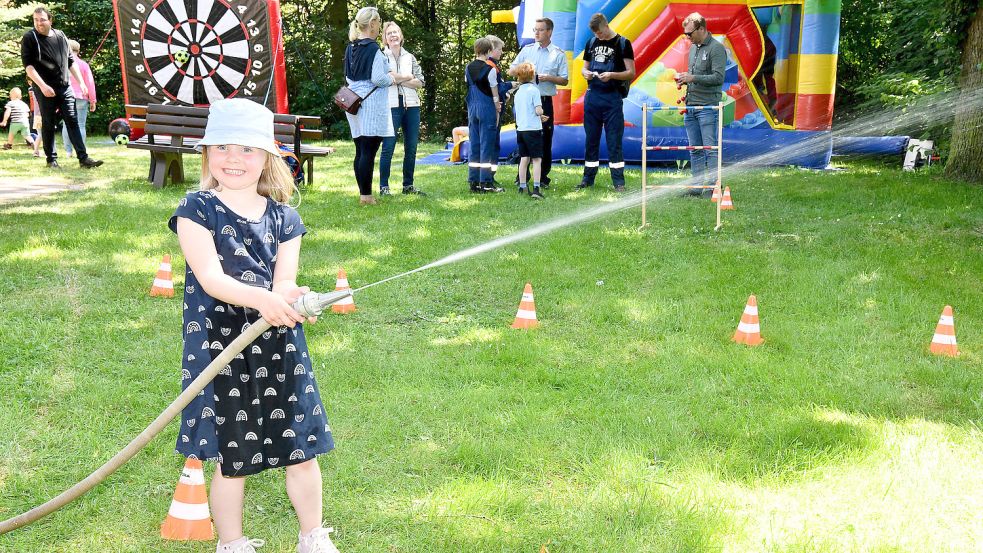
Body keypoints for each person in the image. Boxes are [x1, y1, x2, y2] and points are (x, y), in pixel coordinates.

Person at [170, 99, 338, 553]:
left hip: (278, 346)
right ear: (206, 155)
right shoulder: (196, 209)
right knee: (232, 458)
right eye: (222, 147)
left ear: (267, 156)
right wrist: (264, 298)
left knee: (301, 449)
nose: (233, 158)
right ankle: (233, 543)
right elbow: (212, 278)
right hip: (220, 347)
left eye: (247, 149)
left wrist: (293, 297)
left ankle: (312, 536)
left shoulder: (285, 218)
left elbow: (283, 281)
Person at [20, 6, 102, 169]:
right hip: (44, 89)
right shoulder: (30, 38)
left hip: (65, 88)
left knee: (73, 121)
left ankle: (83, 159)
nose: (38, 23)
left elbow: (71, 62)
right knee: (49, 123)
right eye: (35, 20)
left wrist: (82, 82)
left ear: (50, 20)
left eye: (42, 20)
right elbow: (28, 66)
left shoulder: (60, 36)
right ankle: (51, 160)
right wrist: (42, 86)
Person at [345, 7, 408, 205]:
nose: (380, 24)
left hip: (353, 102)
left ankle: (363, 194)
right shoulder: (372, 48)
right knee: (368, 151)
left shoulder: (351, 47)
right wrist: (391, 77)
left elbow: (347, 77)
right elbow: (378, 78)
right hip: (370, 105)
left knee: (360, 150)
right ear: (372, 24)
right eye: (379, 21)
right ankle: (367, 197)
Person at [508, 17, 569, 189]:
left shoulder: (558, 54)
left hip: (543, 100)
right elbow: (511, 69)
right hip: (524, 101)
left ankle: (542, 177)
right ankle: (522, 177)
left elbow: (564, 80)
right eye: (535, 29)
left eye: (540, 29)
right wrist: (524, 72)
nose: (536, 32)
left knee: (545, 139)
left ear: (549, 32)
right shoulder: (527, 50)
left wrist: (548, 78)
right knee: (524, 136)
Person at [578, 13, 634, 192]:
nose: (598, 36)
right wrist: (585, 73)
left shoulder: (623, 43)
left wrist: (611, 75)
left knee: (614, 140)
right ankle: (588, 179)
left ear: (606, 25)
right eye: (595, 34)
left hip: (612, 98)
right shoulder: (591, 43)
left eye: (600, 33)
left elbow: (630, 72)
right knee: (591, 140)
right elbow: (584, 67)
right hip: (593, 96)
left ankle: (619, 182)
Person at [675, 12, 726, 196]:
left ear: (702, 29)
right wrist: (684, 80)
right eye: (686, 34)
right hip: (691, 106)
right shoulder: (693, 48)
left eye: (690, 33)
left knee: (710, 149)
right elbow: (694, 76)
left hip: (707, 107)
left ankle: (713, 187)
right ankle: (696, 188)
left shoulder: (716, 48)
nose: (687, 37)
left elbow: (718, 78)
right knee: (695, 150)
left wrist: (693, 77)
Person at [379, 21, 426, 196]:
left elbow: (420, 82)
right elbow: (385, 79)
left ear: (401, 35)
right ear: (385, 38)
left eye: (396, 32)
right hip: (391, 106)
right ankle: (384, 187)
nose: (393, 35)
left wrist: (398, 78)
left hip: (412, 106)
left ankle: (408, 185)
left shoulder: (410, 57)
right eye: (389, 33)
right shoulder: (381, 57)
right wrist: (407, 77)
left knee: (411, 147)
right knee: (388, 147)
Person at [465, 37, 504, 193]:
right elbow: (494, 90)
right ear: (488, 51)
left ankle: (473, 181)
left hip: (472, 109)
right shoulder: (490, 69)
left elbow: (469, 84)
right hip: (486, 108)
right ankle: (486, 182)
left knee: (474, 145)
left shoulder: (468, 67)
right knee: (487, 145)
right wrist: (497, 105)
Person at [512, 62, 547, 199]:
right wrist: (541, 113)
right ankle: (536, 188)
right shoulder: (534, 90)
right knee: (537, 159)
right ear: (533, 75)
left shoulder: (518, 92)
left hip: (521, 129)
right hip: (533, 129)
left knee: (524, 158)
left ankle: (522, 186)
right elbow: (538, 110)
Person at [485, 35, 516, 187]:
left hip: (497, 107)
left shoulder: (493, 65)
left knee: (494, 143)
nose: (502, 52)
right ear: (491, 50)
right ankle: (488, 176)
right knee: (492, 144)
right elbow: (495, 87)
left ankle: (490, 175)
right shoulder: (490, 66)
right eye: (500, 49)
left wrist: (506, 93)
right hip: (493, 110)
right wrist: (511, 85)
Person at [61, 39, 96, 158]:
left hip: (66, 97)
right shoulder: (83, 64)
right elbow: (90, 84)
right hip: (81, 97)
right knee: (80, 124)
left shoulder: (62, 64)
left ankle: (68, 151)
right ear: (78, 50)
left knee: (67, 124)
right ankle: (81, 150)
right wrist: (93, 100)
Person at [2, 87, 36, 152]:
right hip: (25, 122)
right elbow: (28, 114)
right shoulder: (24, 104)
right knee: (27, 135)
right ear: (20, 96)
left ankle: (9, 144)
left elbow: (7, 112)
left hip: (15, 122)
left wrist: (4, 121)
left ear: (10, 96)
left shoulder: (10, 103)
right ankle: (32, 142)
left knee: (11, 133)